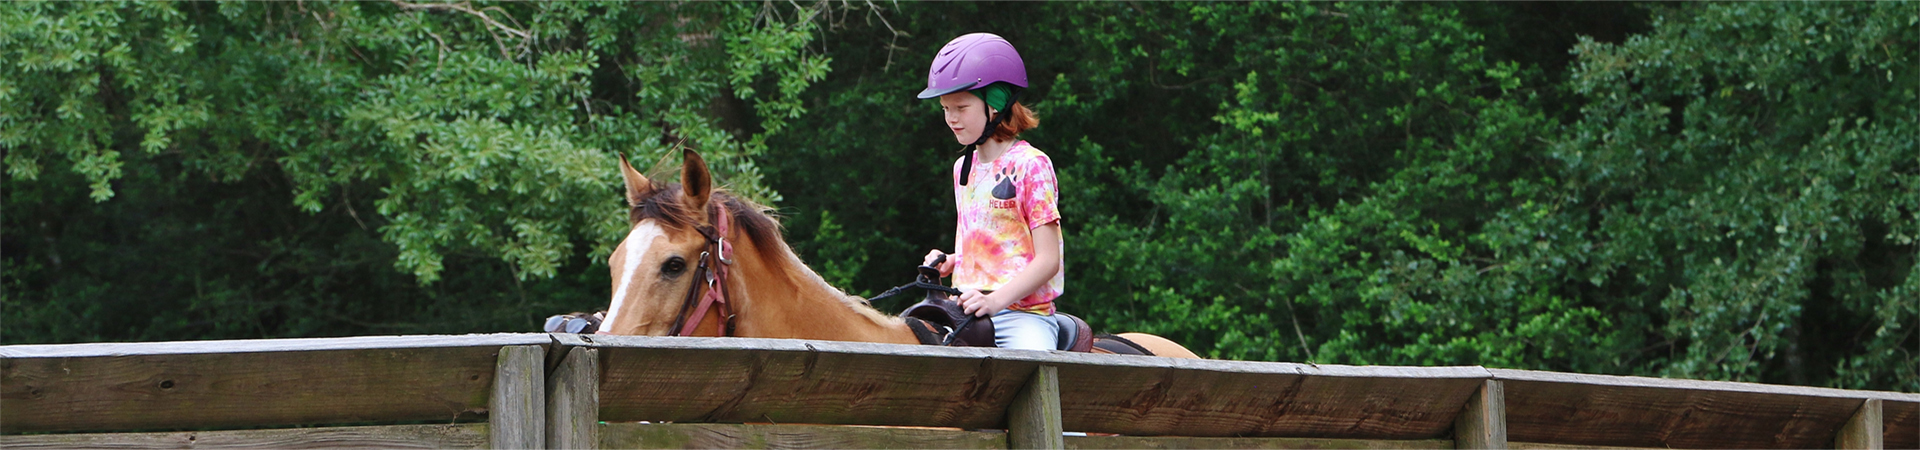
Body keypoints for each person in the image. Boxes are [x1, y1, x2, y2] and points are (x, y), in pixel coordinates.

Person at [917, 33, 1063, 351]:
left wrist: (994, 301)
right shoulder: (962, 169)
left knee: (1033, 367)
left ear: (995, 104)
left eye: (961, 107)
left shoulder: (1031, 164)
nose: (951, 118)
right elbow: (999, 245)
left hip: (1021, 316)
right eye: (944, 108)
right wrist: (954, 261)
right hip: (964, 310)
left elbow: (1049, 259)